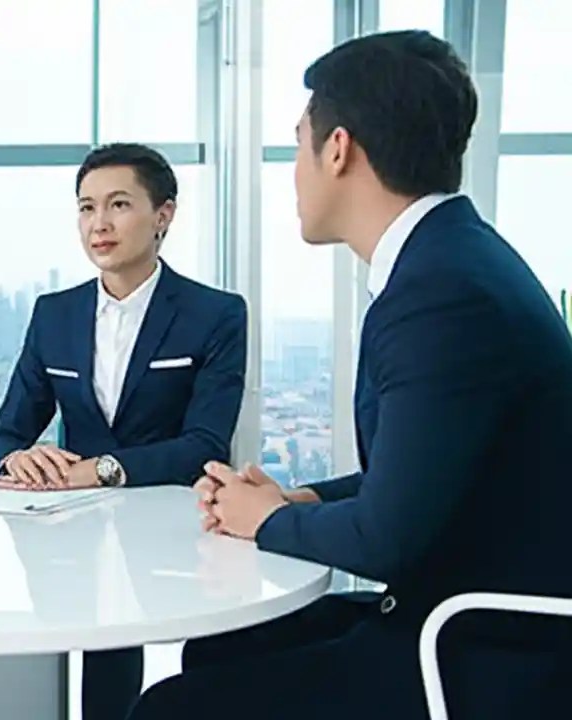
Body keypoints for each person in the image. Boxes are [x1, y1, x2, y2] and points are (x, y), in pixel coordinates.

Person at [131, 30, 572, 720]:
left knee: (170, 709)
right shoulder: (455, 259)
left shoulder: (439, 293)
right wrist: (302, 501)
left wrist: (265, 520)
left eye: (299, 141)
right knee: (218, 652)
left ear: (338, 149)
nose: (295, 169)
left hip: (481, 650)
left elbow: (387, 538)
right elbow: (424, 473)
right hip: (472, 612)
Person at [0, 142, 248, 720]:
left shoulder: (216, 314)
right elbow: (3, 437)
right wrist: (17, 461)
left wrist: (102, 470)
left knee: (197, 680)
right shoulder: (54, 314)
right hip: (72, 539)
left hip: (179, 530)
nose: (98, 223)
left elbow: (206, 446)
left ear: (163, 215)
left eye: (119, 204)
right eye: (85, 208)